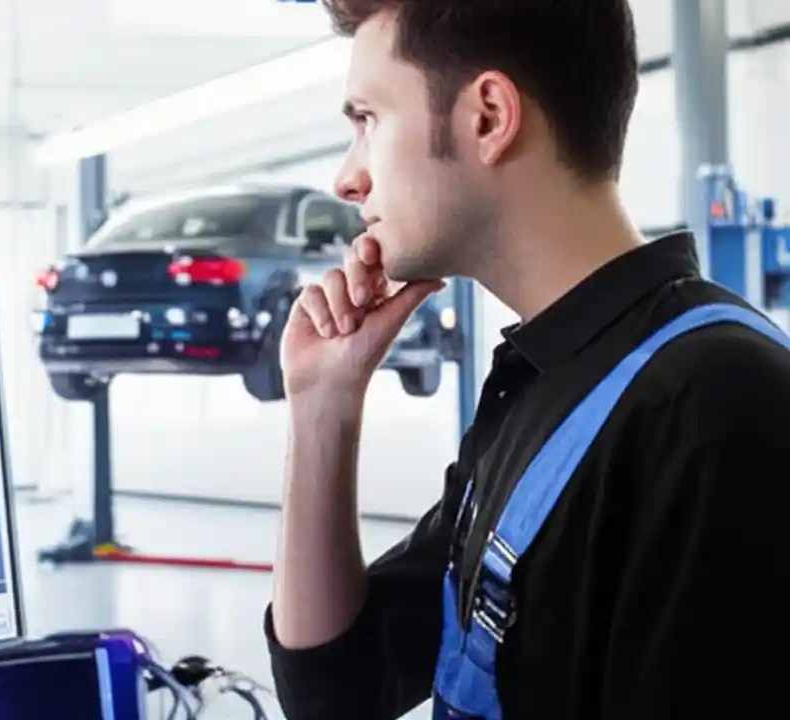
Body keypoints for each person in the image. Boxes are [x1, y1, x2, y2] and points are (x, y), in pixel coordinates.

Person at [265, 1, 790, 719]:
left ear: (487, 117)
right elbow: (337, 692)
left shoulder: (715, 410)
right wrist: (323, 406)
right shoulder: (545, 383)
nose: (348, 178)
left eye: (367, 121)